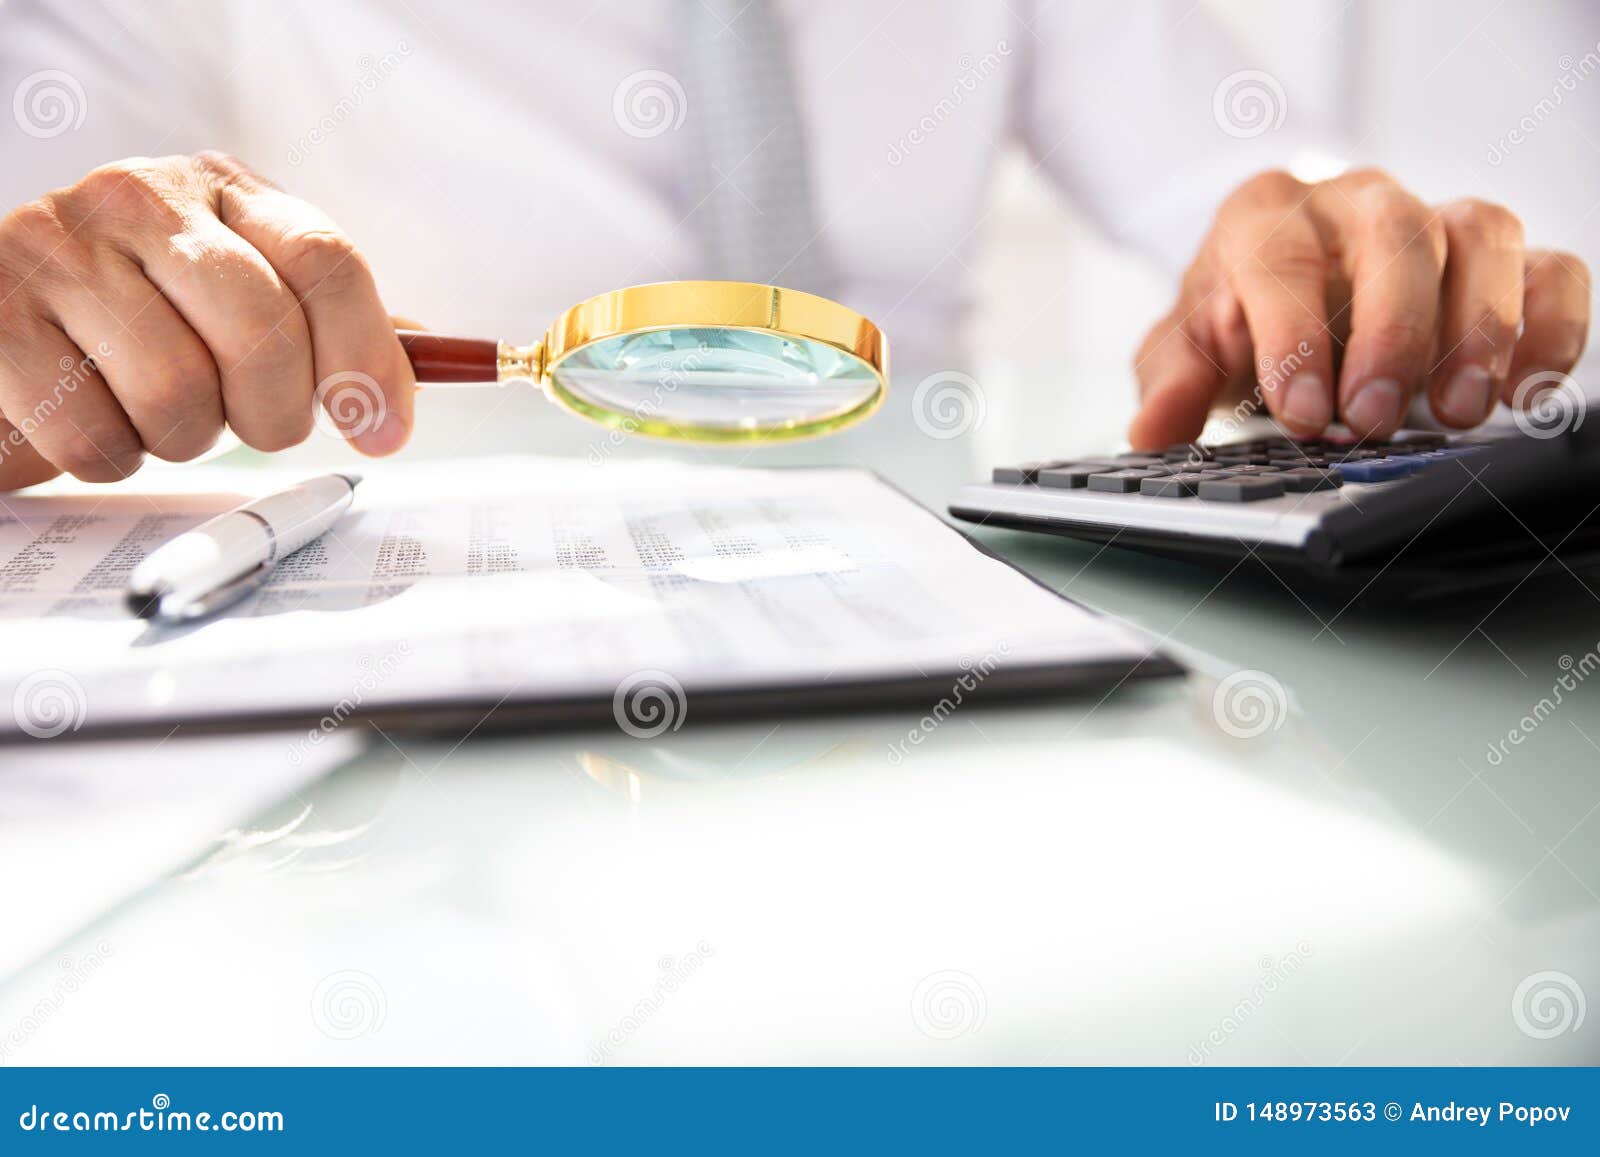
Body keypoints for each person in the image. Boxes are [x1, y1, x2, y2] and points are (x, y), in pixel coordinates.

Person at [0, 0, 1589, 492]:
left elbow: (1231, 176)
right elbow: (57, 267)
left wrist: (1315, 236)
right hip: (444, 618)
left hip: (971, 594)